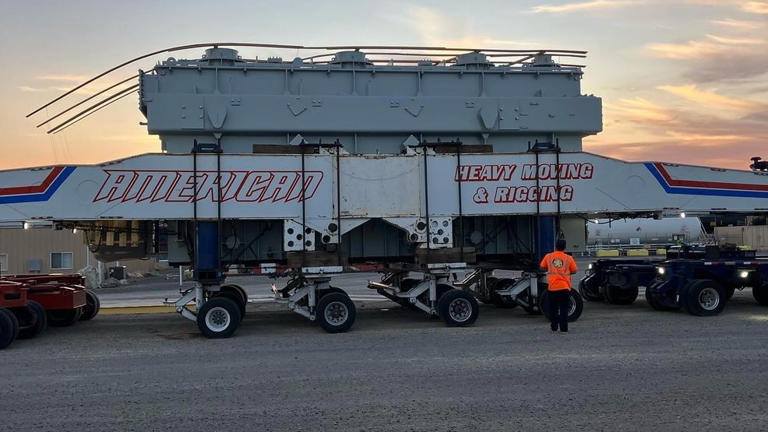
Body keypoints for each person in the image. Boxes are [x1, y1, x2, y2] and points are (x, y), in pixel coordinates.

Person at [540, 238, 578, 333]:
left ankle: (554, 327)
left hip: (552, 287)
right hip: (564, 287)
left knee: (553, 308)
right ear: (565, 247)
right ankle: (564, 328)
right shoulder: (568, 258)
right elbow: (574, 270)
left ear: (555, 246)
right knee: (564, 308)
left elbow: (542, 267)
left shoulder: (548, 257)